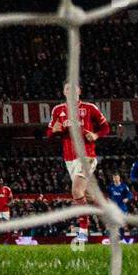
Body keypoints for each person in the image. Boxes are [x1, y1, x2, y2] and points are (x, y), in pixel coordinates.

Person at [45, 83, 110, 245]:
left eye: (74, 88)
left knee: (76, 190)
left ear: (79, 91)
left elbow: (105, 127)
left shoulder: (89, 108)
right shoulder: (58, 110)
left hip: (86, 156)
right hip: (69, 158)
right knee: (89, 197)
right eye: (68, 89)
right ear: (64, 92)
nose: (71, 91)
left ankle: (83, 231)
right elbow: (48, 134)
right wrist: (54, 130)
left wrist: (95, 135)